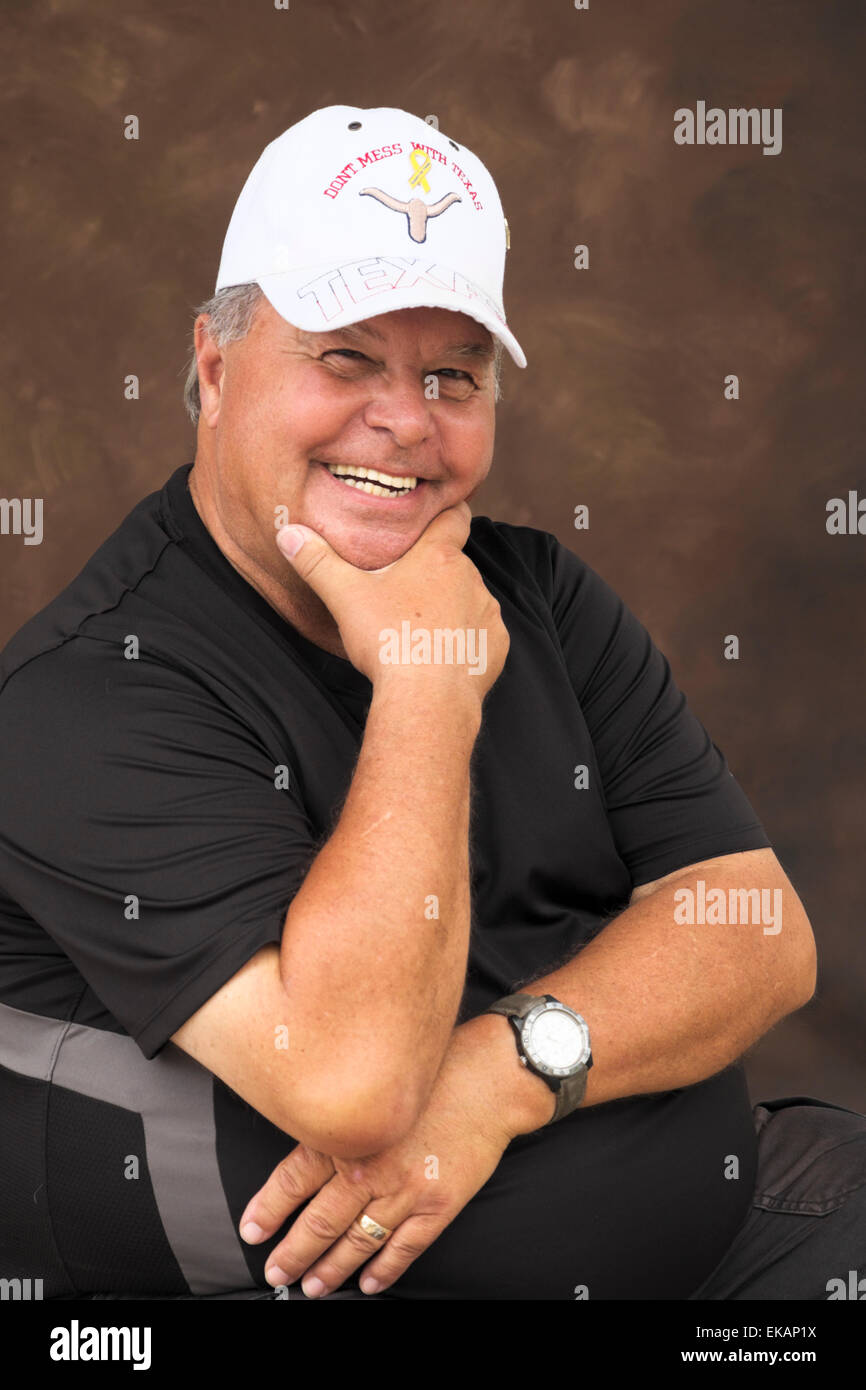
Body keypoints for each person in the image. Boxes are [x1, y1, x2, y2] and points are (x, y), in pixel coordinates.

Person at [0, 105, 861, 1303]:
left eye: (450, 374)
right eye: (345, 356)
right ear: (210, 365)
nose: (405, 421)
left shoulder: (540, 592)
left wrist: (498, 1079)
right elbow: (353, 1086)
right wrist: (425, 679)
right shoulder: (84, 697)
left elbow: (759, 932)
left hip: (733, 1240)